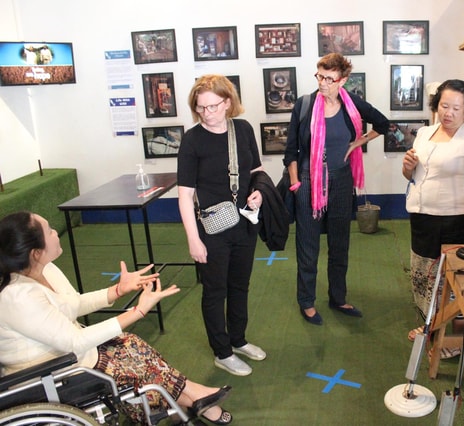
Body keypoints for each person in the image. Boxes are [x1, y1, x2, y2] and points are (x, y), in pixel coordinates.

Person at [0, 211, 233, 425]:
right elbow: (74, 341)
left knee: (131, 343)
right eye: (49, 231)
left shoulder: (45, 269)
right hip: (49, 373)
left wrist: (118, 290)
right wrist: (137, 312)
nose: (55, 233)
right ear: (36, 253)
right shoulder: (18, 297)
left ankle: (188, 399)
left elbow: (74, 304)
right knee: (131, 364)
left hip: (70, 356)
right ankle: (193, 398)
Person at [284, 53, 389, 325]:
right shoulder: (304, 105)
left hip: (342, 180)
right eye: (319, 76)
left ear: (342, 80)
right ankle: (306, 301)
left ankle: (338, 297)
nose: (322, 83)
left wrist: (359, 142)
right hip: (308, 181)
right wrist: (296, 184)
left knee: (340, 244)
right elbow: (291, 151)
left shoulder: (351, 104)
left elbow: (383, 123)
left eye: (329, 79)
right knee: (308, 246)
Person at [177, 74, 265, 376]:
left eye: (213, 106)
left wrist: (259, 192)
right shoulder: (192, 140)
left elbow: (256, 170)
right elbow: (185, 195)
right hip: (212, 228)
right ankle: (222, 352)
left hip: (244, 222)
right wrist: (193, 239)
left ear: (228, 102)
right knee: (215, 291)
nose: (207, 113)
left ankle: (238, 340)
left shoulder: (243, 129)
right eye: (201, 108)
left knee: (240, 285)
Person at [402, 79, 464, 341]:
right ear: (437, 105)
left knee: (454, 281)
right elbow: (412, 175)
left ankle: (454, 338)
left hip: (458, 222)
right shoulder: (425, 134)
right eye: (444, 106)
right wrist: (408, 166)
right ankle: (430, 328)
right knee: (424, 276)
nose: (449, 113)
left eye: (456, 108)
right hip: (423, 219)